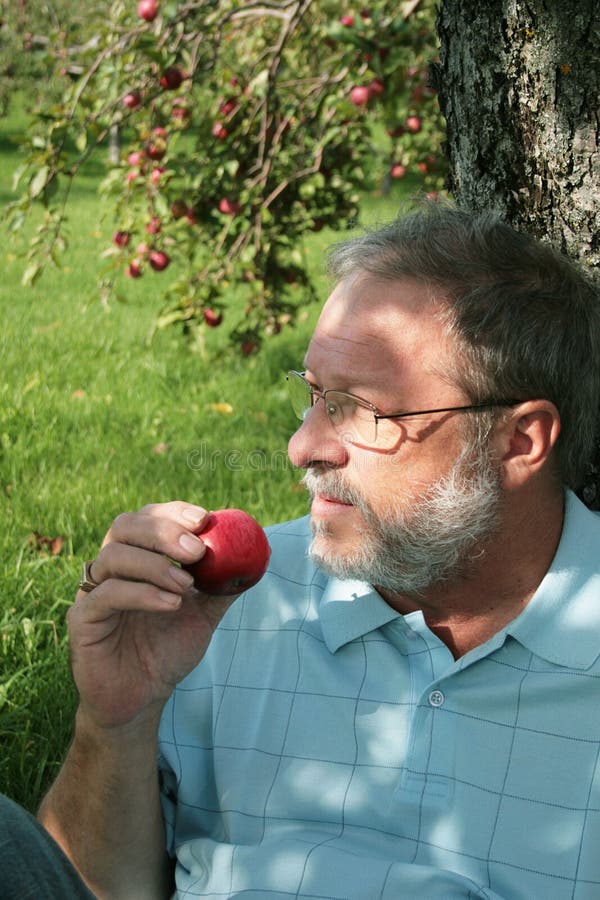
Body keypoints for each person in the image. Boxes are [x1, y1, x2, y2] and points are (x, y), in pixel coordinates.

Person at [38, 203, 600, 899]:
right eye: (314, 395)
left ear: (520, 442)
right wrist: (114, 723)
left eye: (363, 408)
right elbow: (93, 889)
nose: (302, 447)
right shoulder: (215, 610)